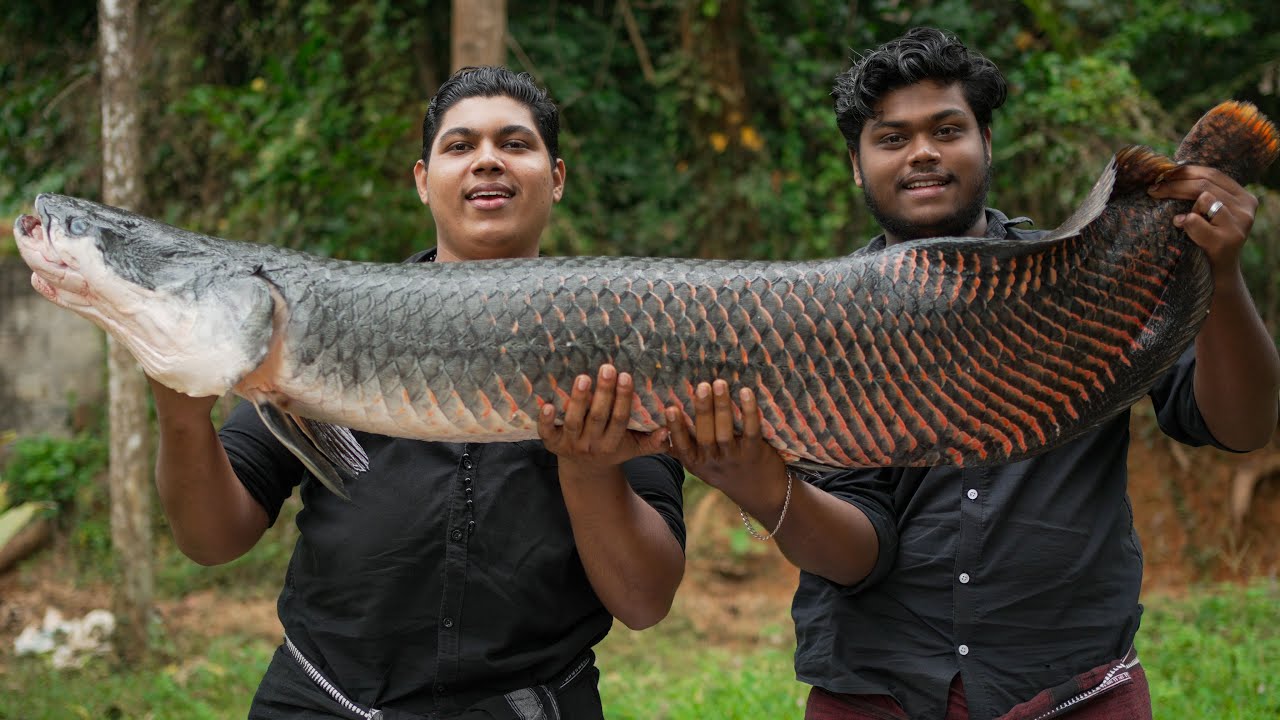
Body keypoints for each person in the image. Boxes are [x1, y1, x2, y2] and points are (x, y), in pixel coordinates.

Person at [665, 27, 1280, 720]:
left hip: (1076, 694)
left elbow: (1240, 427)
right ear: (856, 164)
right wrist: (757, 484)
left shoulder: (1090, 278)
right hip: (875, 695)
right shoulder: (821, 320)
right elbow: (856, 557)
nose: (922, 152)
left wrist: (1220, 277)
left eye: (947, 128)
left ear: (986, 141)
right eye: (891, 138)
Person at [149, 65, 686, 720]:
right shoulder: (328, 318)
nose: (487, 161)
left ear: (558, 177)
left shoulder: (624, 335)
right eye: (459, 147)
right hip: (323, 699)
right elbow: (210, 539)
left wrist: (587, 467)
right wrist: (181, 416)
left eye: (514, 144)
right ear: (422, 181)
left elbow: (643, 600)